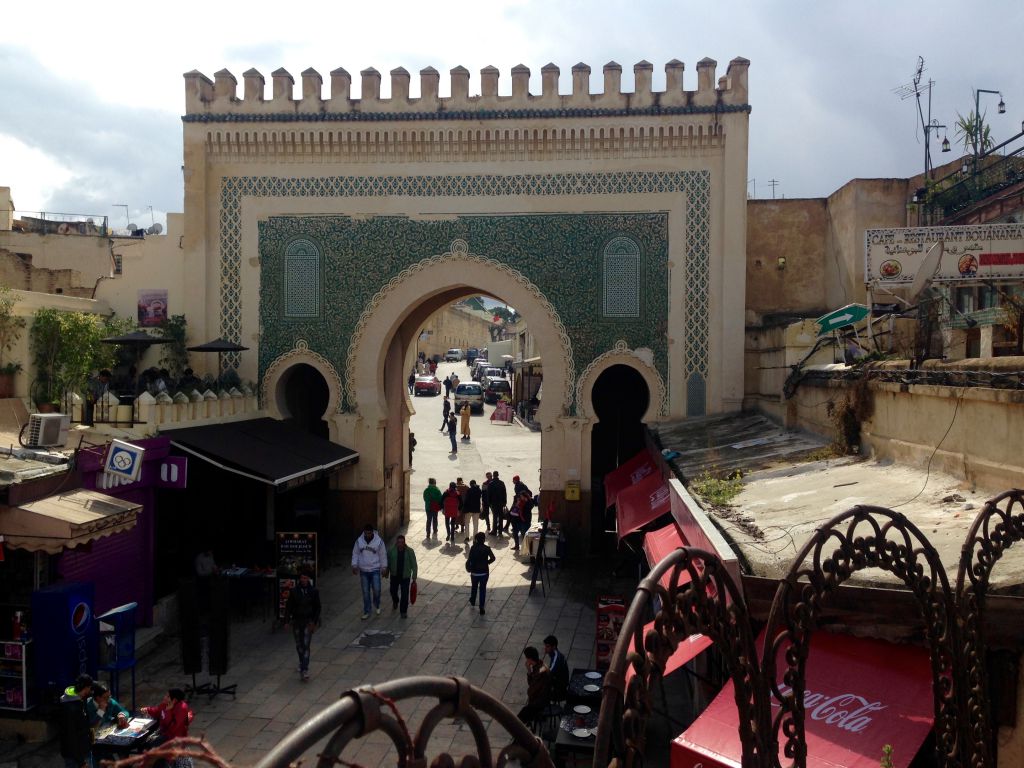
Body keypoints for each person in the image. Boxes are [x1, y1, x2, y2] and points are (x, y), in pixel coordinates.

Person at [283, 570, 321, 680]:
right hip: (297, 621)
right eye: (302, 578)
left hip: (308, 621)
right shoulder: (294, 591)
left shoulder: (313, 591)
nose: (304, 580)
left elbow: (317, 607)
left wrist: (314, 621)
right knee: (299, 644)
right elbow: (289, 607)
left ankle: (305, 669)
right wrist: (286, 621)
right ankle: (301, 662)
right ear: (300, 579)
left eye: (306, 578)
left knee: (306, 645)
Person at [352, 524, 388, 619]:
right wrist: (354, 565)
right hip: (363, 570)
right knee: (365, 592)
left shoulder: (379, 542)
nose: (367, 535)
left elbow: (383, 555)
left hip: (375, 569)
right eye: (365, 533)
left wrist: (384, 567)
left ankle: (377, 604)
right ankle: (367, 611)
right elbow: (355, 553)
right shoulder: (359, 541)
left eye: (369, 533)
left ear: (372, 532)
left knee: (377, 589)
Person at [59, 673, 94, 768]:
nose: (91, 690)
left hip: (83, 751)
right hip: (75, 757)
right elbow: (70, 736)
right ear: (86, 688)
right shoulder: (71, 709)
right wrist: (81, 762)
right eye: (90, 688)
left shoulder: (79, 701)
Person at [516, 647, 551, 724]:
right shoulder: (540, 665)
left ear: (530, 659)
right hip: (538, 699)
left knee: (518, 720)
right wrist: (529, 671)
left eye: (526, 658)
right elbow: (532, 683)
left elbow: (531, 688)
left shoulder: (540, 671)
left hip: (540, 702)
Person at [386, 535, 417, 619]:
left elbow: (414, 564)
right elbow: (388, 562)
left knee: (405, 594)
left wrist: (414, 576)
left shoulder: (410, 551)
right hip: (394, 575)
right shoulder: (391, 551)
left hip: (405, 576)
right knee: (393, 591)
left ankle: (403, 611)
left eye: (402, 542)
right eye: (399, 542)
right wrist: (386, 572)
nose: (400, 544)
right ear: (396, 542)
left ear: (404, 542)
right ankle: (395, 601)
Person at [467, 532, 496, 615]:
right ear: (484, 539)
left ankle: (473, 600)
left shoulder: (473, 548)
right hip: (484, 572)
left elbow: (470, 559)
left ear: (476, 539)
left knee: (474, 587)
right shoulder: (487, 548)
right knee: (482, 589)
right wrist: (487, 562)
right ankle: (481, 607)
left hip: (474, 572)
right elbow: (493, 558)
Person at [543, 635, 569, 702]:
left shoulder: (557, 658)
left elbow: (549, 672)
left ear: (554, 647)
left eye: (547, 646)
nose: (545, 648)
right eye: (545, 646)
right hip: (557, 680)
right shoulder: (553, 654)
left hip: (559, 686)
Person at [489, 470, 507, 536]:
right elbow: (504, 493)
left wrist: (489, 502)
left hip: (493, 503)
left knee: (495, 517)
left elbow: (489, 494)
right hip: (501, 503)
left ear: (493, 475)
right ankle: (500, 531)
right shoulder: (501, 483)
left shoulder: (491, 483)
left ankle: (494, 531)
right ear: (498, 475)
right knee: (500, 517)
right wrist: (505, 502)